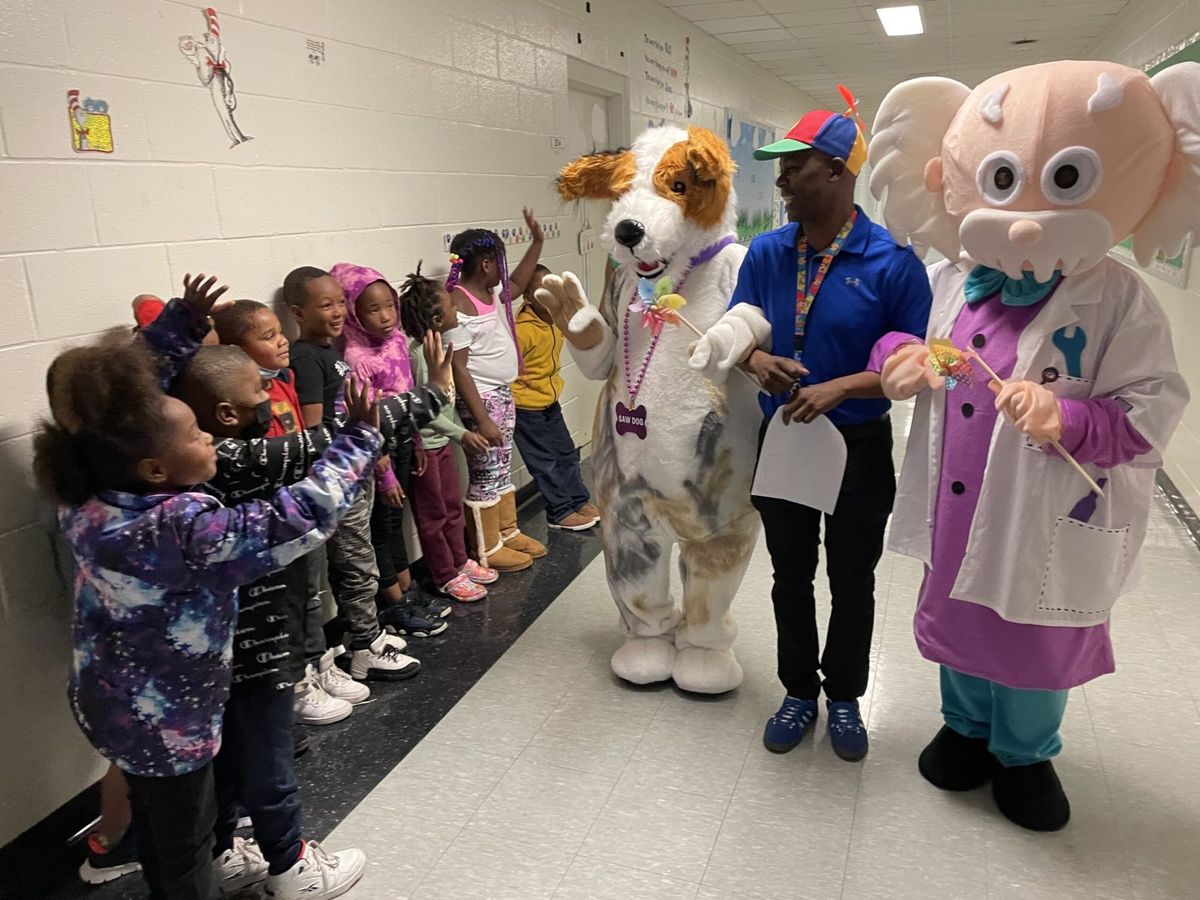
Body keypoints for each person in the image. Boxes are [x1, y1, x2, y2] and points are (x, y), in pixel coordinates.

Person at [35, 274, 379, 900]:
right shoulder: (179, 528)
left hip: (114, 702)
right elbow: (292, 518)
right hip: (168, 719)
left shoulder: (88, 490)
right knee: (186, 849)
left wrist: (181, 327)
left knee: (172, 833)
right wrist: (357, 440)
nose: (205, 435)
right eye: (195, 433)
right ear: (156, 467)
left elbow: (124, 405)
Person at [690, 107, 932, 760]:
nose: (784, 183)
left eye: (795, 169)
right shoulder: (769, 252)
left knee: (853, 580)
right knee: (789, 576)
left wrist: (844, 386)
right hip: (787, 443)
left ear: (837, 170)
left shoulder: (893, 263)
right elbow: (740, 325)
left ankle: (846, 697)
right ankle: (799, 691)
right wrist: (754, 360)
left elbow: (911, 367)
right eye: (782, 170)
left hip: (858, 447)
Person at [286, 265, 429, 681]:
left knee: (359, 557)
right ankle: (365, 646)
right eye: (324, 304)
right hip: (339, 478)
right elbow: (315, 431)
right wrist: (359, 442)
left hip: (357, 470)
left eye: (338, 303)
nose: (335, 312)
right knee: (355, 562)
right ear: (297, 312)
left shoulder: (331, 353)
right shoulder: (305, 358)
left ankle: (366, 633)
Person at [330, 262, 449, 637]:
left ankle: (407, 589)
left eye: (389, 306)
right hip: (375, 454)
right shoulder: (355, 358)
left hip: (401, 440)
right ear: (353, 311)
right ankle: (393, 603)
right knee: (380, 527)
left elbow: (411, 395)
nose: (384, 316)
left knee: (396, 523)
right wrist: (383, 473)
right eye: (372, 309)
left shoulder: (396, 340)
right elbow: (363, 423)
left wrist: (414, 442)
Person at [446, 209, 547, 572]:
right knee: (486, 472)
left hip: (500, 394)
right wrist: (482, 418)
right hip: (483, 399)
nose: (505, 271)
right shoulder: (456, 305)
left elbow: (518, 283)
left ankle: (507, 530)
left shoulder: (491, 291)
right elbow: (458, 367)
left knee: (501, 468)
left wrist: (537, 243)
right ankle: (488, 549)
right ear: (486, 263)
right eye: (500, 263)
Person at [398, 263, 498, 602]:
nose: (457, 307)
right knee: (433, 515)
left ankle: (459, 561)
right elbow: (423, 411)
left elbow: (447, 401)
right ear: (438, 320)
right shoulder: (418, 356)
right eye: (451, 305)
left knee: (452, 506)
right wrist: (461, 434)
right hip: (425, 448)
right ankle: (444, 575)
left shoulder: (440, 347)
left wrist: (456, 433)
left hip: (444, 444)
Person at [512, 264, 599, 530]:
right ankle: (559, 512)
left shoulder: (556, 319)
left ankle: (578, 500)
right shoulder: (522, 329)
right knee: (544, 462)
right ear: (527, 297)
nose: (546, 295)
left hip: (549, 401)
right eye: (538, 291)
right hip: (525, 406)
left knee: (566, 453)